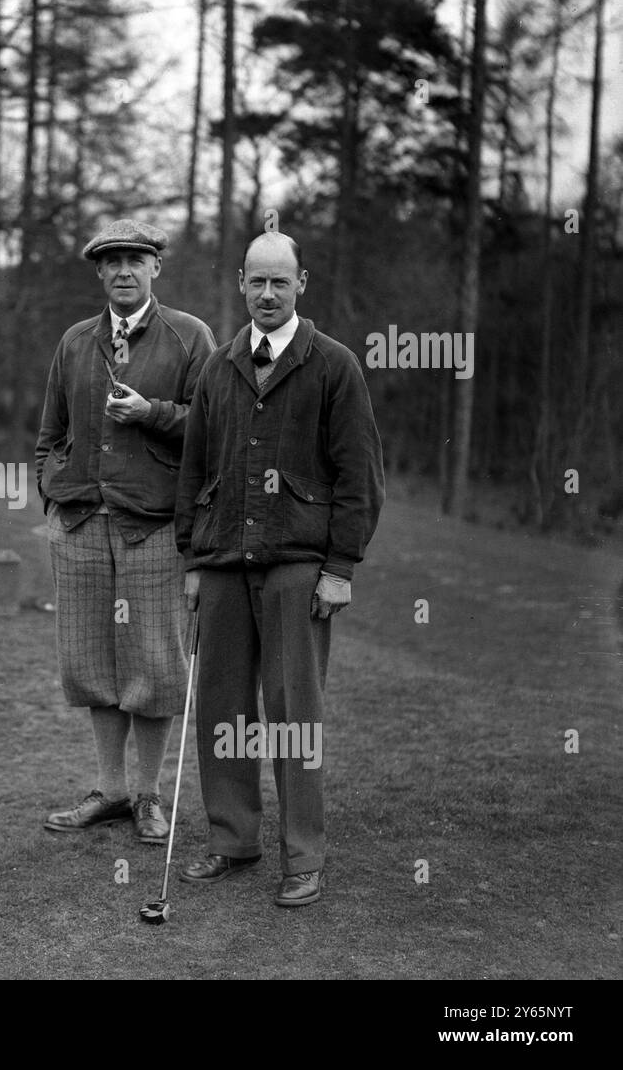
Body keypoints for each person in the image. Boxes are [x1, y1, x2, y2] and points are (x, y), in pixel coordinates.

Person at [174, 231, 385, 907]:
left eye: (280, 282)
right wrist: (192, 558)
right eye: (257, 282)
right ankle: (233, 839)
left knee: (293, 713)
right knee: (223, 709)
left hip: (299, 566)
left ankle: (303, 856)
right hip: (225, 566)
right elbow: (195, 470)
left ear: (302, 285)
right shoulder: (220, 366)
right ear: (241, 283)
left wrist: (341, 566)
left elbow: (359, 477)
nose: (268, 294)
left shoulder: (334, 365)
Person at [36, 219, 215, 845]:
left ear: (155, 268)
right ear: (99, 272)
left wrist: (152, 414)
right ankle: (110, 791)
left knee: (155, 667)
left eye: (135, 260)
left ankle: (148, 795)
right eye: (110, 262)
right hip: (82, 524)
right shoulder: (76, 340)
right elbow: (49, 434)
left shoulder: (189, 336)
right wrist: (52, 492)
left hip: (154, 528)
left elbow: (211, 429)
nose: (122, 271)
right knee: (92, 665)